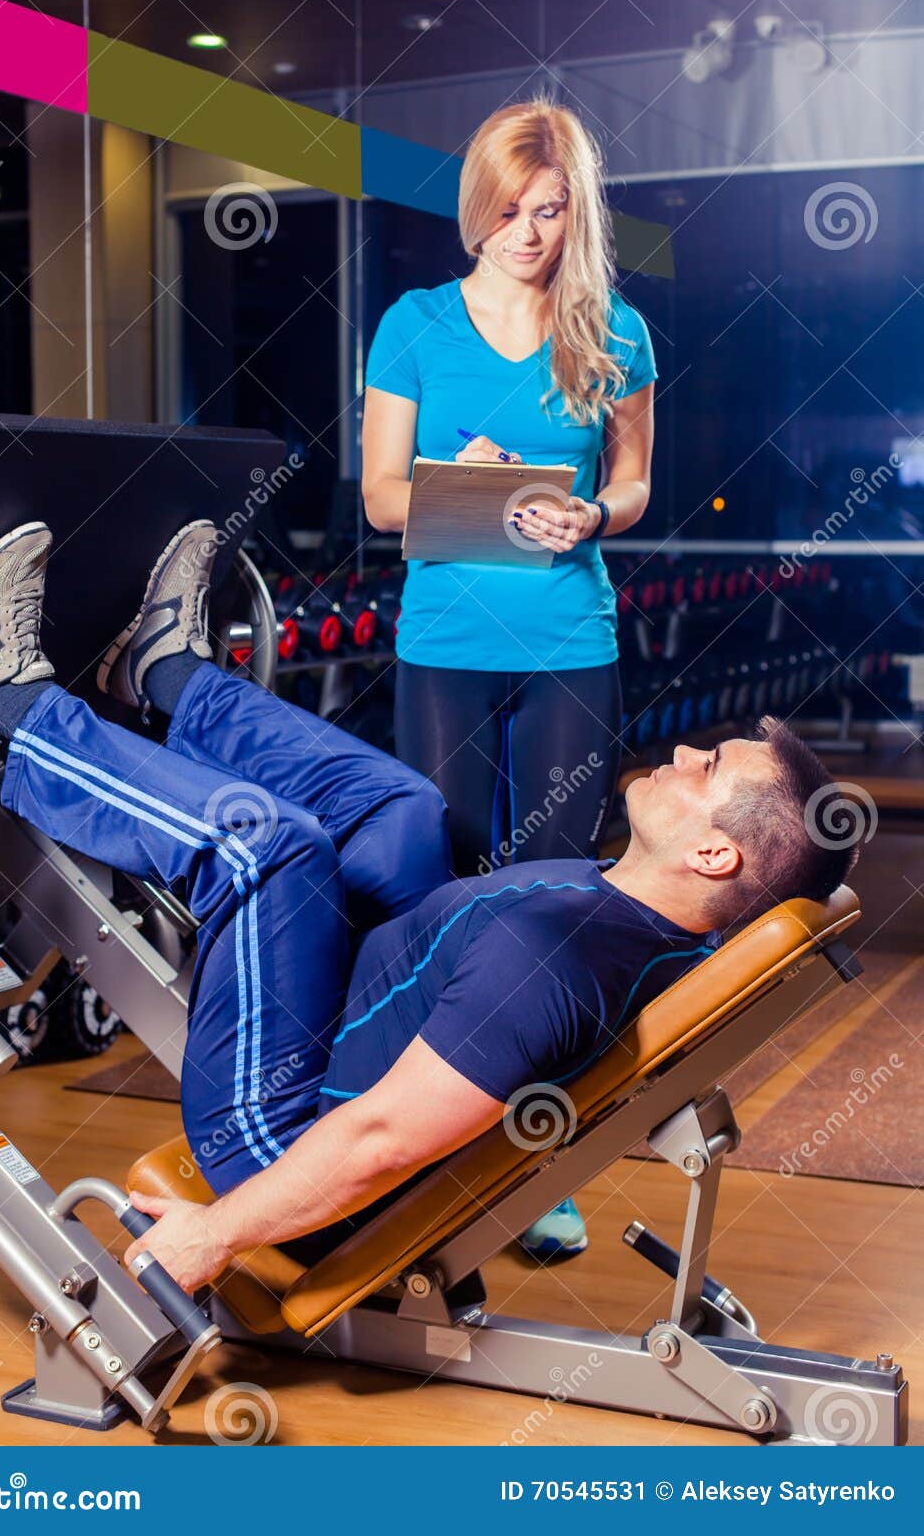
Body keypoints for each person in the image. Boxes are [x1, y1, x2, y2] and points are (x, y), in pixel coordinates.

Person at [0, 521, 860, 1297]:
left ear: (713, 855)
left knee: (272, 846)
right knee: (404, 809)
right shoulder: (648, 918)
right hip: (353, 1015)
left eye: (711, 771)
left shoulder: (556, 964)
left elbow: (377, 1144)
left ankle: (3, 698)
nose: (689, 754)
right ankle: (164, 678)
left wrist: (212, 1237)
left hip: (274, 1127)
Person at [362, 96, 658, 1257]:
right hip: (443, 638)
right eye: (506, 210)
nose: (526, 233)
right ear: (473, 208)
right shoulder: (414, 326)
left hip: (568, 642)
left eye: (548, 211)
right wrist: (452, 474)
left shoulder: (615, 333)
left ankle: (538, 1162)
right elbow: (385, 500)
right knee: (439, 883)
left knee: (550, 895)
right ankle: (420, 1136)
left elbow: (634, 485)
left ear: (572, 213)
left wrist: (595, 510)